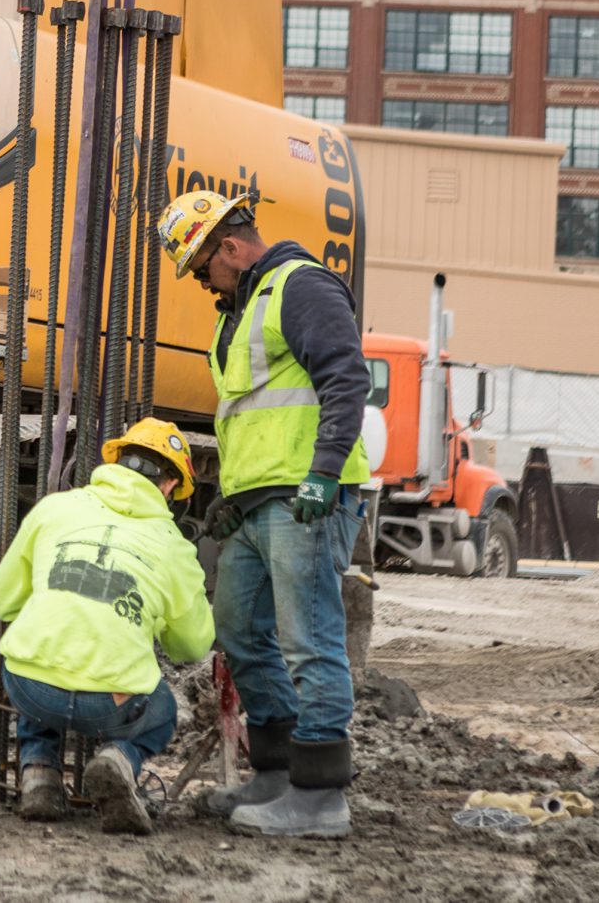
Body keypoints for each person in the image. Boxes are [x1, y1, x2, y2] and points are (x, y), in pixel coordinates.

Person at [157, 189, 373, 839]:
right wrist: (230, 497)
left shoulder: (298, 286)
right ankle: (277, 772)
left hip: (305, 496)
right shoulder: (240, 307)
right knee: (242, 633)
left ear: (229, 245)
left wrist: (323, 475)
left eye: (200, 266)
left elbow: (346, 378)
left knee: (308, 638)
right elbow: (250, 416)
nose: (199, 281)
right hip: (259, 502)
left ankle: (321, 793)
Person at [0, 417, 214, 834]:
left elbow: (4, 601)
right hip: (109, 704)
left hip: (31, 691)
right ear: (169, 485)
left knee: (37, 655)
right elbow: (191, 646)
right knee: (162, 708)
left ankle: (38, 773)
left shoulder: (55, 508)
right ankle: (118, 760)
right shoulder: (174, 547)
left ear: (116, 461)